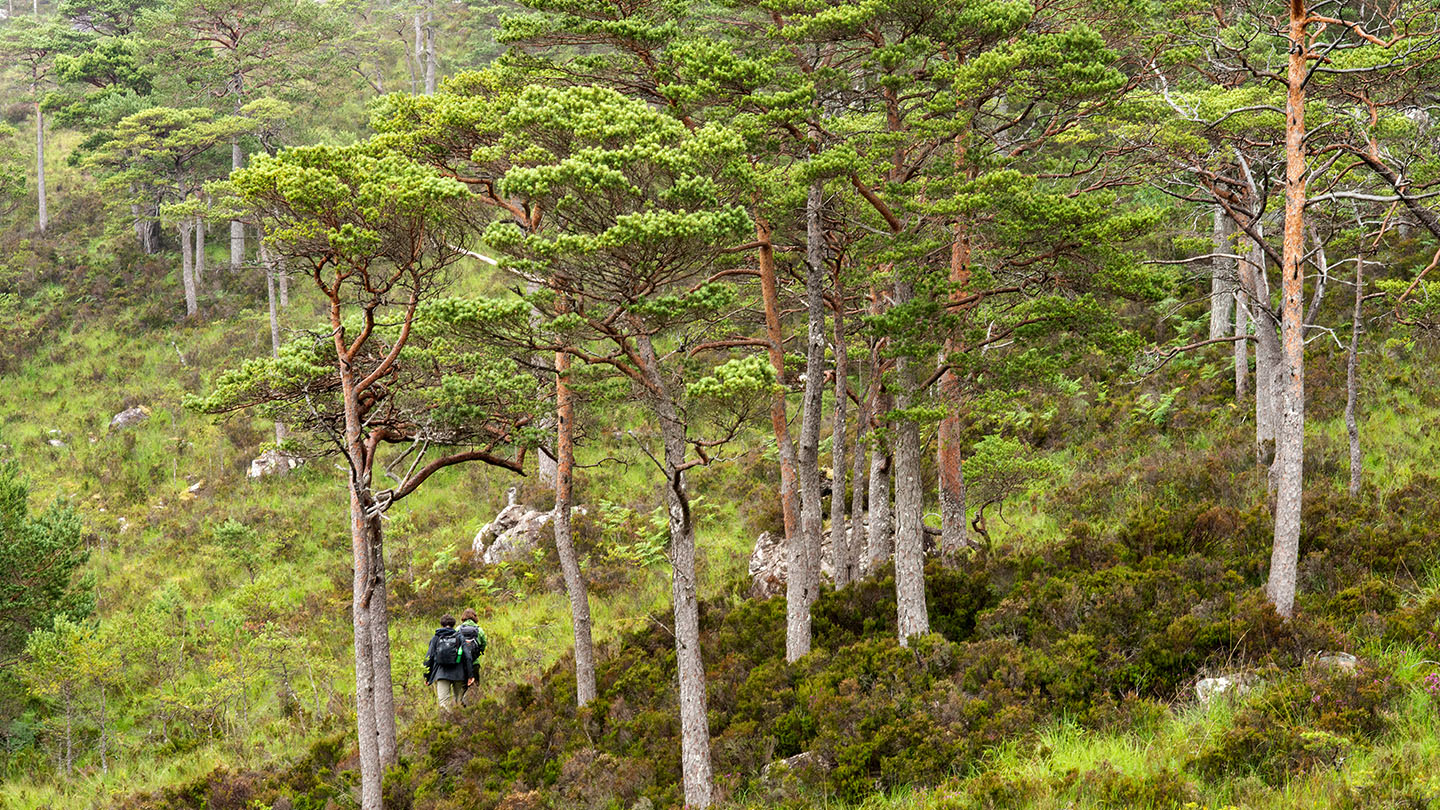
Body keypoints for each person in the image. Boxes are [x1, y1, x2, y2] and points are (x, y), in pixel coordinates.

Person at [423, 614, 474, 711]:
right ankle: (461, 724)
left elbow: (428, 657)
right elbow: (468, 656)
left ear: (441, 624)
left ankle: (446, 724)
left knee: (443, 703)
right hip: (459, 674)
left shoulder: (436, 638)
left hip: (441, 674)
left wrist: (426, 676)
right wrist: (470, 675)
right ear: (454, 624)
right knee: (459, 702)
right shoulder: (460, 637)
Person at [456, 607, 487, 704]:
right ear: (475, 617)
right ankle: (474, 706)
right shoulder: (479, 630)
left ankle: (460, 706)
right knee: (475, 686)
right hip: (474, 663)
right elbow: (483, 644)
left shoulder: (458, 629)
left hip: (460, 664)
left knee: (462, 687)